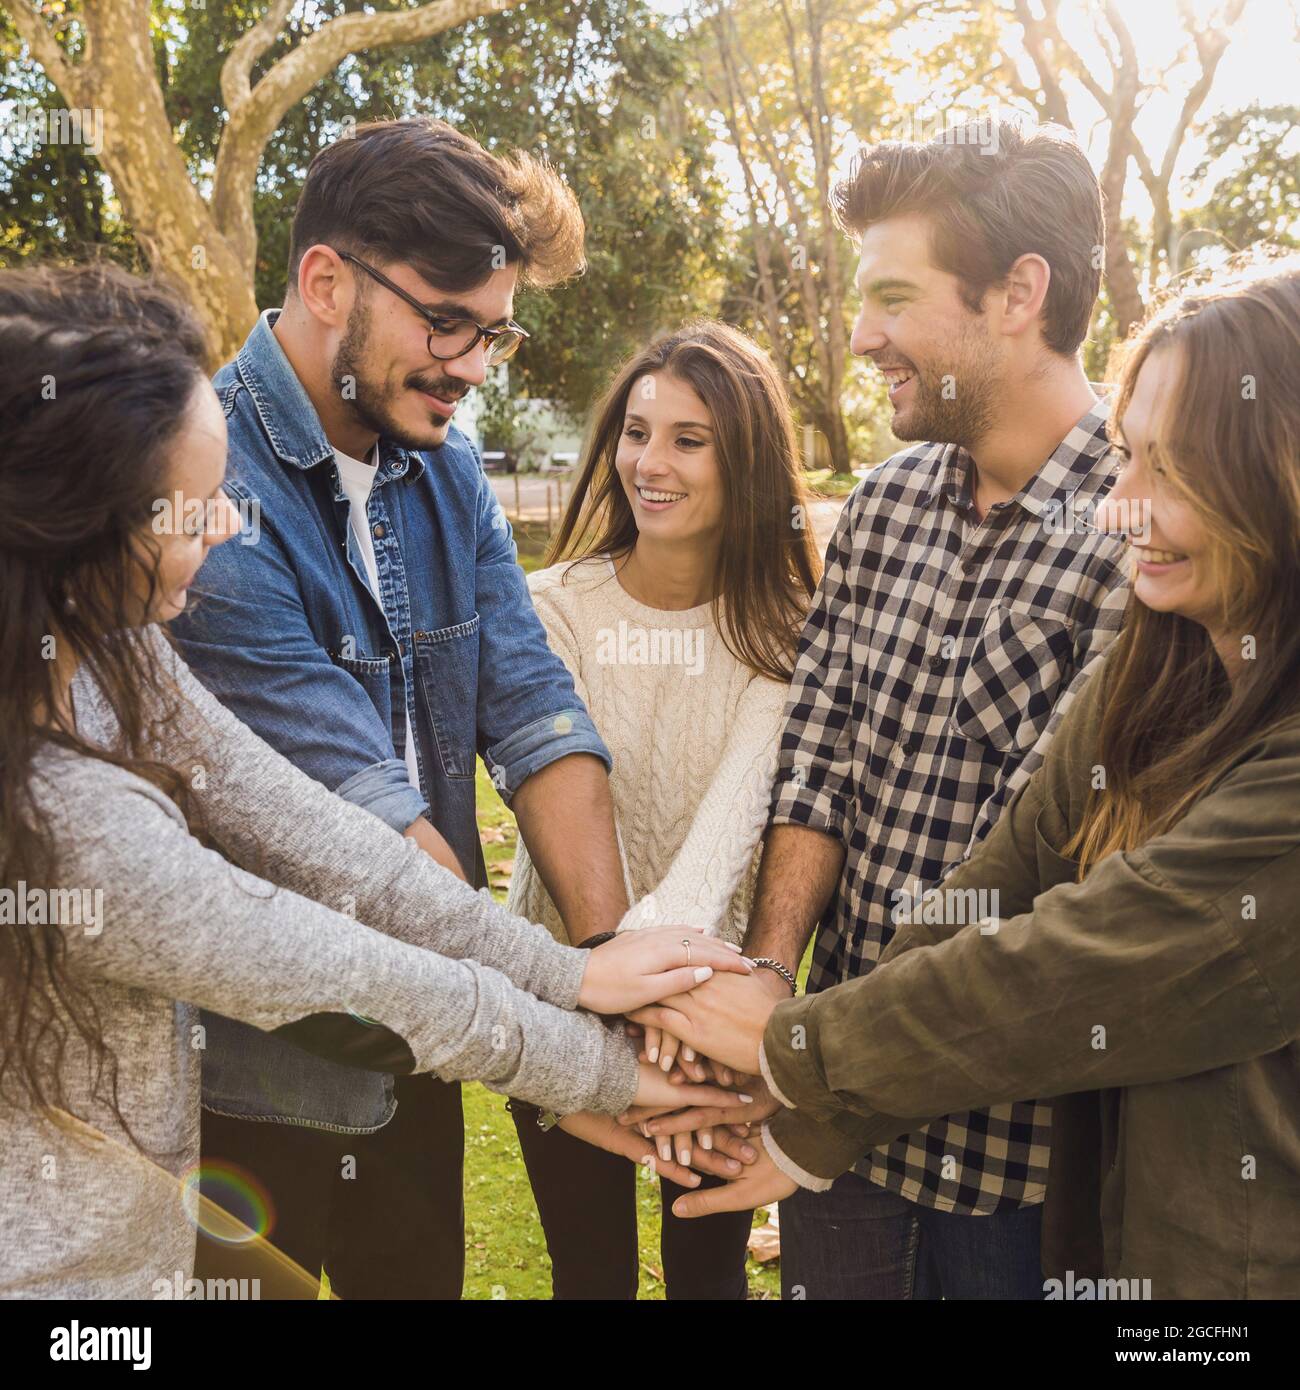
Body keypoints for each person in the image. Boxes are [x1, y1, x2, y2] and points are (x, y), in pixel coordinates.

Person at [0, 263, 754, 1300]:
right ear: (84, 526)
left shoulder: (109, 651)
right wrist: (607, 1070)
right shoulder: (68, 819)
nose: (225, 530)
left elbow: (307, 826)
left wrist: (575, 976)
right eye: (195, 510)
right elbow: (334, 969)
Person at [633, 256, 1300, 1301]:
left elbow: (1071, 965)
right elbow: (1006, 868)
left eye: (1171, 472)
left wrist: (790, 1045)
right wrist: (817, 1114)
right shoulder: (1163, 660)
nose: (1120, 509)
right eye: (1130, 459)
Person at [629, 119, 1132, 1300]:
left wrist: (811, 1064)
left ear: (1018, 293)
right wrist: (765, 976)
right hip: (836, 1139)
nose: (861, 338)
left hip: (1019, 1157)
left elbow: (1040, 858)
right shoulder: (887, 504)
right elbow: (818, 758)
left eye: (893, 298)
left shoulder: (1144, 530)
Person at [168, 118, 636, 1299]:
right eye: (444, 321)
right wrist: (585, 1038)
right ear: (327, 280)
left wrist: (613, 961)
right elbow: (362, 812)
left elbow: (531, 709)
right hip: (259, 1066)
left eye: (495, 332)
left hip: (425, 1031)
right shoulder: (210, 487)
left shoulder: (448, 464)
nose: (473, 365)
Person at [505, 321, 821, 1298]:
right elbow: (563, 798)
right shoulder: (549, 607)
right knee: (591, 1278)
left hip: (712, 1028)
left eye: (689, 439)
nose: (649, 461)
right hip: (560, 999)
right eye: (636, 432)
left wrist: (675, 1010)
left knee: (706, 1268)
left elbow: (729, 831)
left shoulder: (789, 631)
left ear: (748, 460)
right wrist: (630, 991)